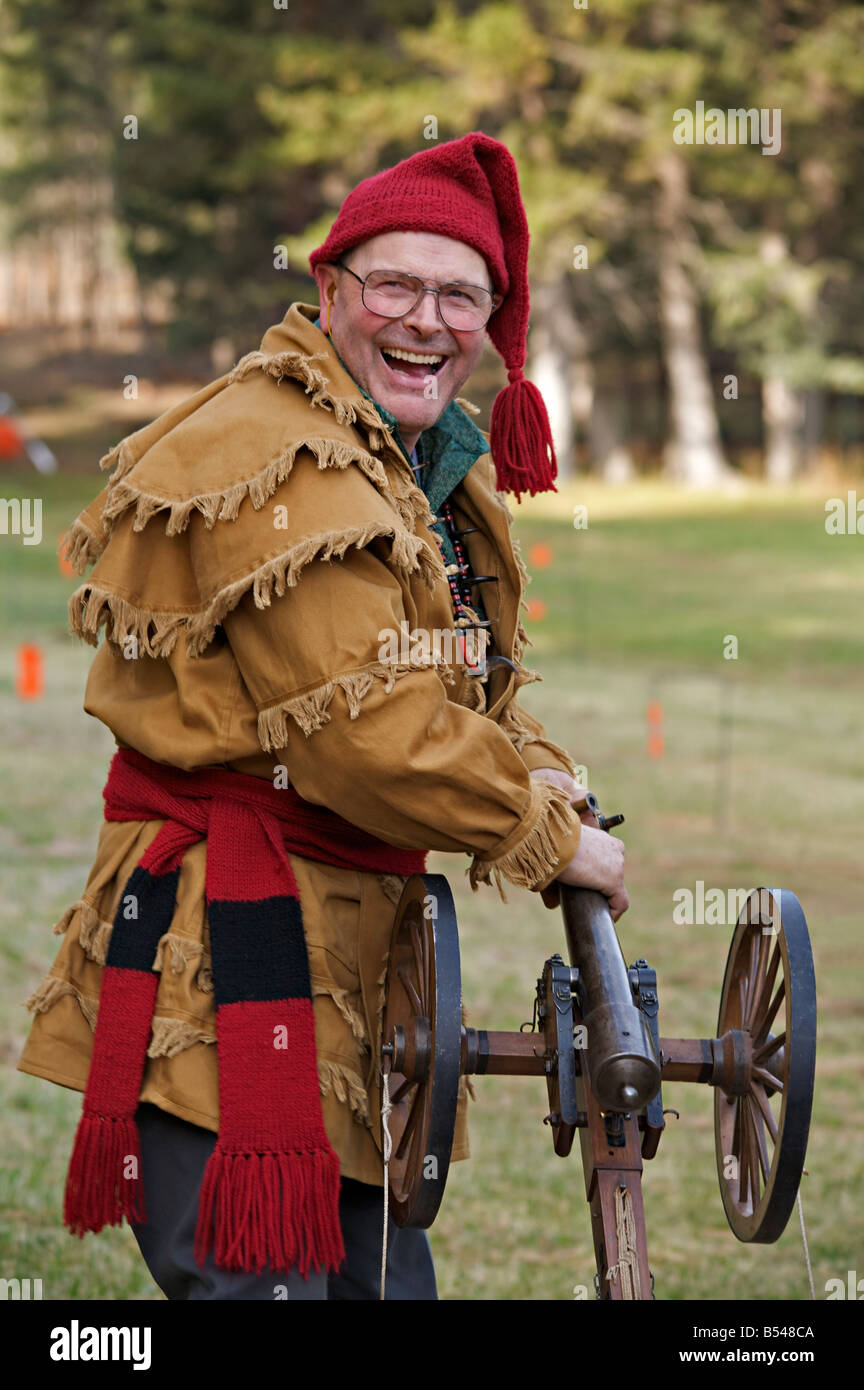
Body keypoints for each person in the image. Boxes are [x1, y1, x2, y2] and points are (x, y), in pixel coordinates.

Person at [17, 131, 627, 1301]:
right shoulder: (291, 455)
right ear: (331, 290)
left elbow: (464, 691)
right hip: (230, 959)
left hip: (346, 975)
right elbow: (367, 733)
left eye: (463, 296)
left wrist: (543, 777)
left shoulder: (416, 467)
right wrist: (545, 835)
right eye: (396, 285)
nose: (429, 319)